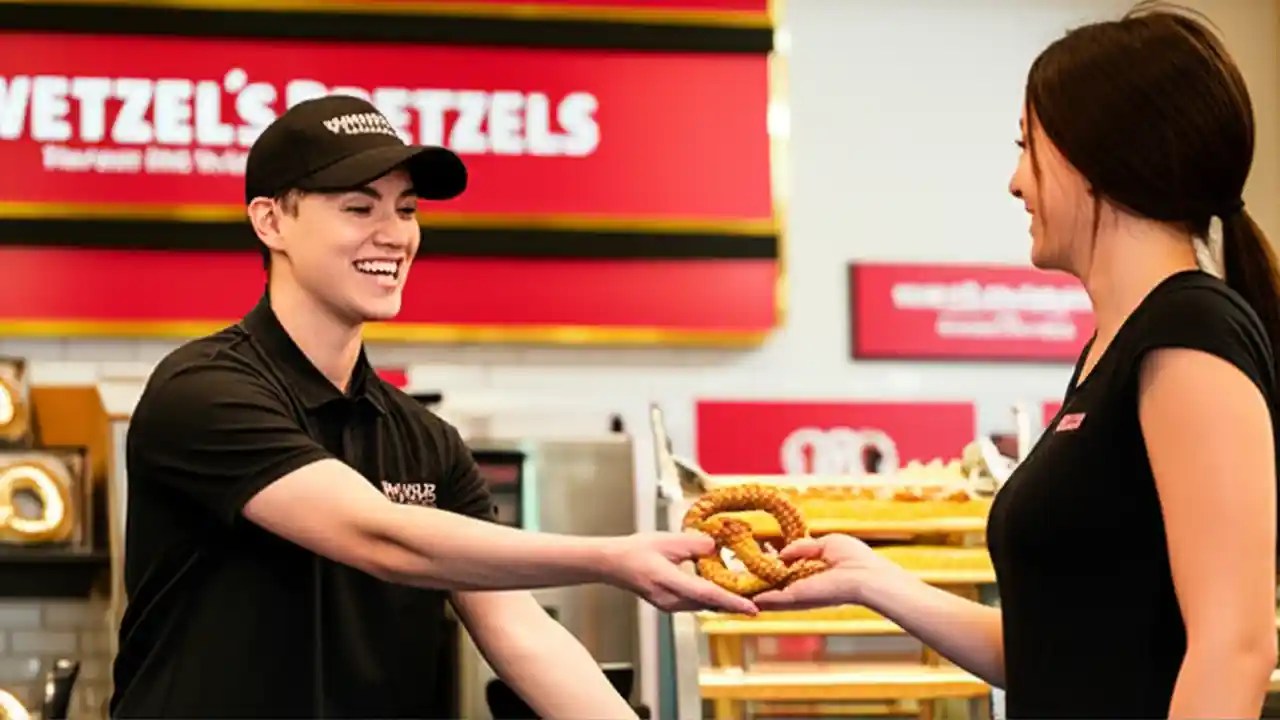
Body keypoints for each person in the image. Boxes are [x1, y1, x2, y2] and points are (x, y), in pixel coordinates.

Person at [108, 94, 758, 719]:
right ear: (271, 220)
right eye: (359, 208)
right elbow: (380, 536)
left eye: (408, 209)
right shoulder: (201, 392)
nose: (394, 236)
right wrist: (610, 559)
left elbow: (519, 630)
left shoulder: (426, 441)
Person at [753, 4, 1280, 718]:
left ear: (1099, 158)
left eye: (1027, 148)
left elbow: (1234, 646)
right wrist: (873, 579)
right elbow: (1053, 653)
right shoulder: (1111, 350)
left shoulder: (1189, 333)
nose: (1014, 182)